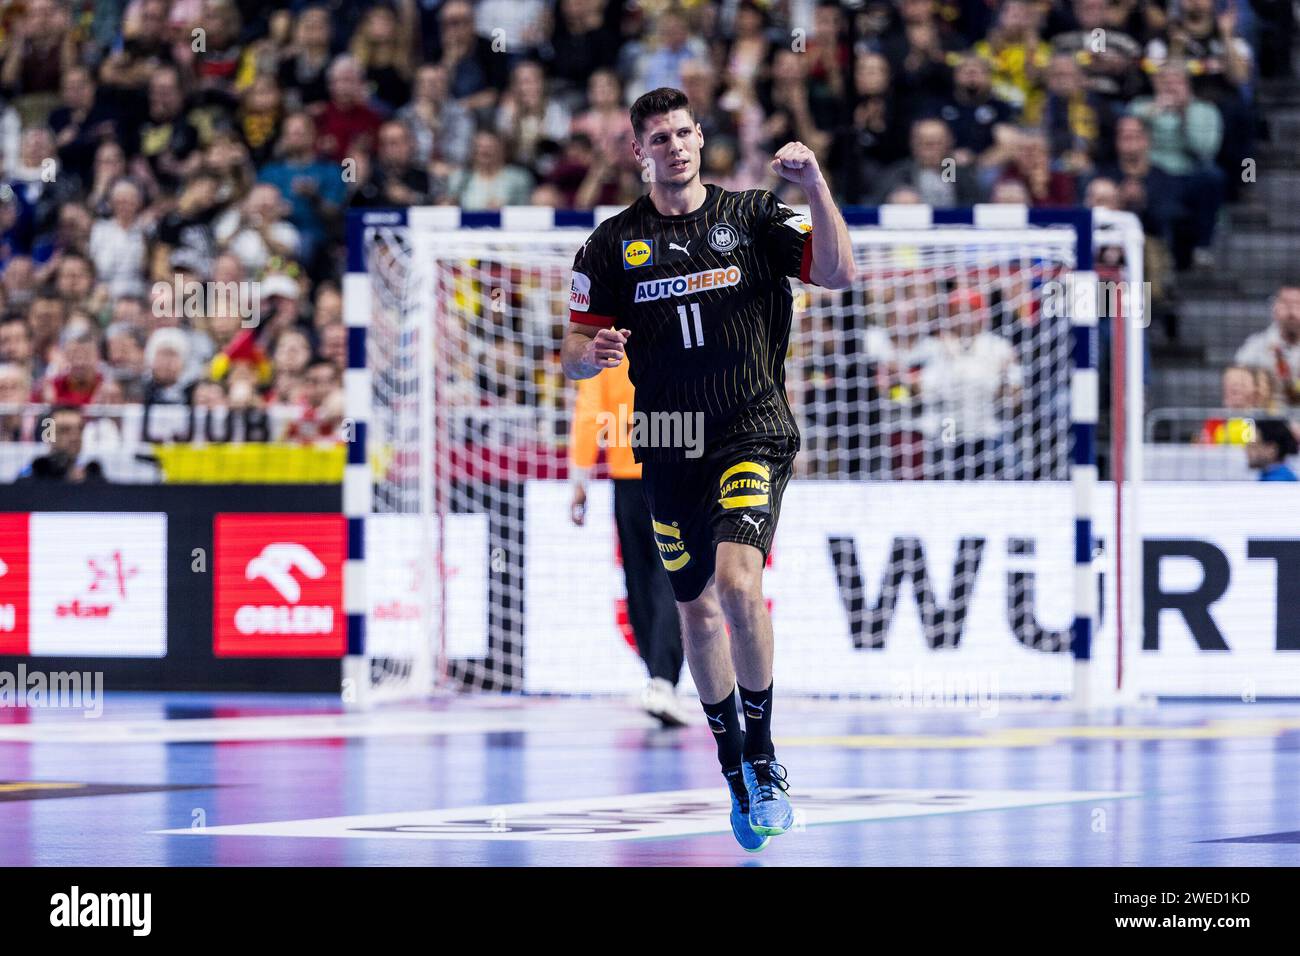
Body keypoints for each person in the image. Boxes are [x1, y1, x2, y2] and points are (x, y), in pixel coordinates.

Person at [561, 87, 856, 851]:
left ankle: (762, 749)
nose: (675, 147)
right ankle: (734, 766)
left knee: (737, 582)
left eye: (684, 133)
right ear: (638, 151)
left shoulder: (754, 216)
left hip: (749, 425)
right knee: (693, 609)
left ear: (701, 139)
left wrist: (816, 187)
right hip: (664, 438)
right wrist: (587, 358)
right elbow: (569, 355)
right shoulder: (608, 245)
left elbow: (840, 272)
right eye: (658, 138)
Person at [569, 355, 689, 727]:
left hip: (630, 472)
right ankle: (661, 680)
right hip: (673, 463)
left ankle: (658, 679)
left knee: (641, 578)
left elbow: (590, 408)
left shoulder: (605, 339)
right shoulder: (669, 321)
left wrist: (580, 478)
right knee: (669, 577)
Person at [16, 404, 106, 482]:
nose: (75, 437)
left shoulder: (92, 475)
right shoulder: (29, 476)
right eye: (64, 430)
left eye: (79, 429)